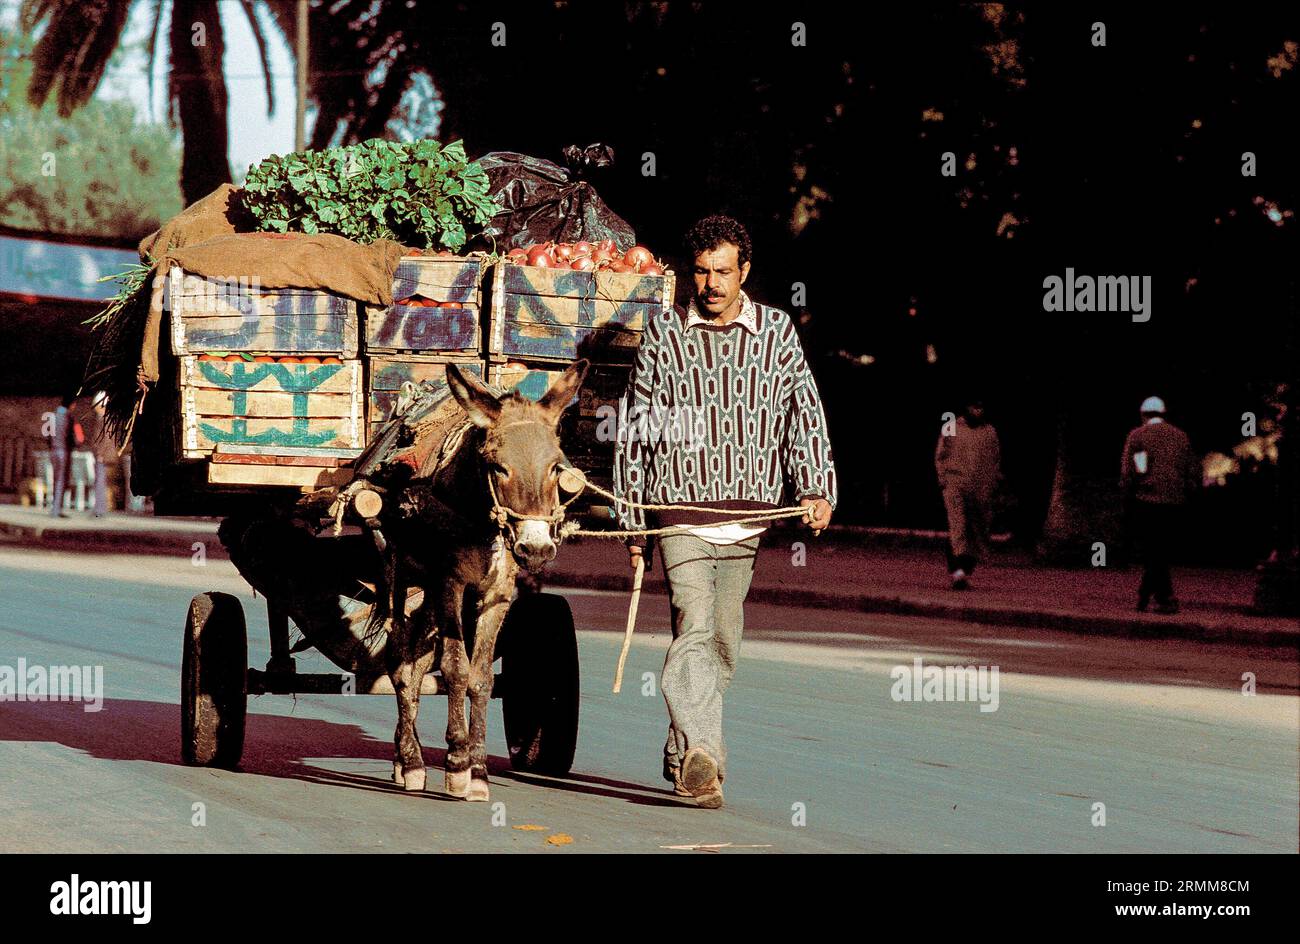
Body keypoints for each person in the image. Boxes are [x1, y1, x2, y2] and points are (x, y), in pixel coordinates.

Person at [613, 214, 837, 809]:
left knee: (724, 643)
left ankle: (682, 747)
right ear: (690, 272)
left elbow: (803, 413)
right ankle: (704, 758)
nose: (711, 284)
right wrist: (634, 517)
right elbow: (637, 426)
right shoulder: (665, 332)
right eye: (701, 271)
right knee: (694, 626)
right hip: (679, 510)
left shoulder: (777, 332)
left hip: (749, 514)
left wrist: (816, 487)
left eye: (722, 271)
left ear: (745, 272)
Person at [1121, 395, 1200, 613]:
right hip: (1175, 501)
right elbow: (1191, 471)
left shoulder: (1138, 436)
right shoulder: (1181, 437)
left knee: (1152, 551)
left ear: (1143, 415)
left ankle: (1152, 596)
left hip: (1147, 500)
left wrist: (1128, 496)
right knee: (1161, 549)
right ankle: (1156, 596)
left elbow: (1132, 471)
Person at [934, 399, 1002, 589]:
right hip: (955, 485)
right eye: (974, 407)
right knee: (958, 528)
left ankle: (963, 571)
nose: (977, 411)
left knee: (977, 532)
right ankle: (957, 572)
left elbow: (996, 459)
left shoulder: (989, 432)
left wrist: (993, 483)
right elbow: (940, 455)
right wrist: (944, 480)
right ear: (967, 408)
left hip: (981, 489)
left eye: (981, 407)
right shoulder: (952, 427)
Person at [46, 393, 80, 517]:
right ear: (71, 404)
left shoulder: (53, 415)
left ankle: (54, 508)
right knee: (61, 480)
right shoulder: (69, 416)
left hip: (54, 450)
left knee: (55, 480)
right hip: (64, 451)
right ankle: (56, 509)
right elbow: (74, 438)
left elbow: (48, 435)